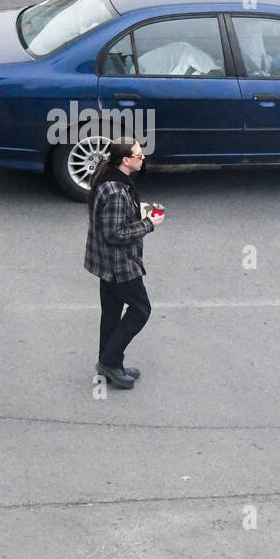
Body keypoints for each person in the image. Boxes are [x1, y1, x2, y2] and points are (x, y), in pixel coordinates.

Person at [83, 139, 164, 389]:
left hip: (104, 261)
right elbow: (115, 234)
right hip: (119, 264)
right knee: (141, 310)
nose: (143, 158)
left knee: (111, 312)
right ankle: (108, 362)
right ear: (126, 161)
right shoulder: (117, 191)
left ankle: (111, 362)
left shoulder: (110, 179)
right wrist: (148, 224)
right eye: (139, 155)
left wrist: (137, 212)